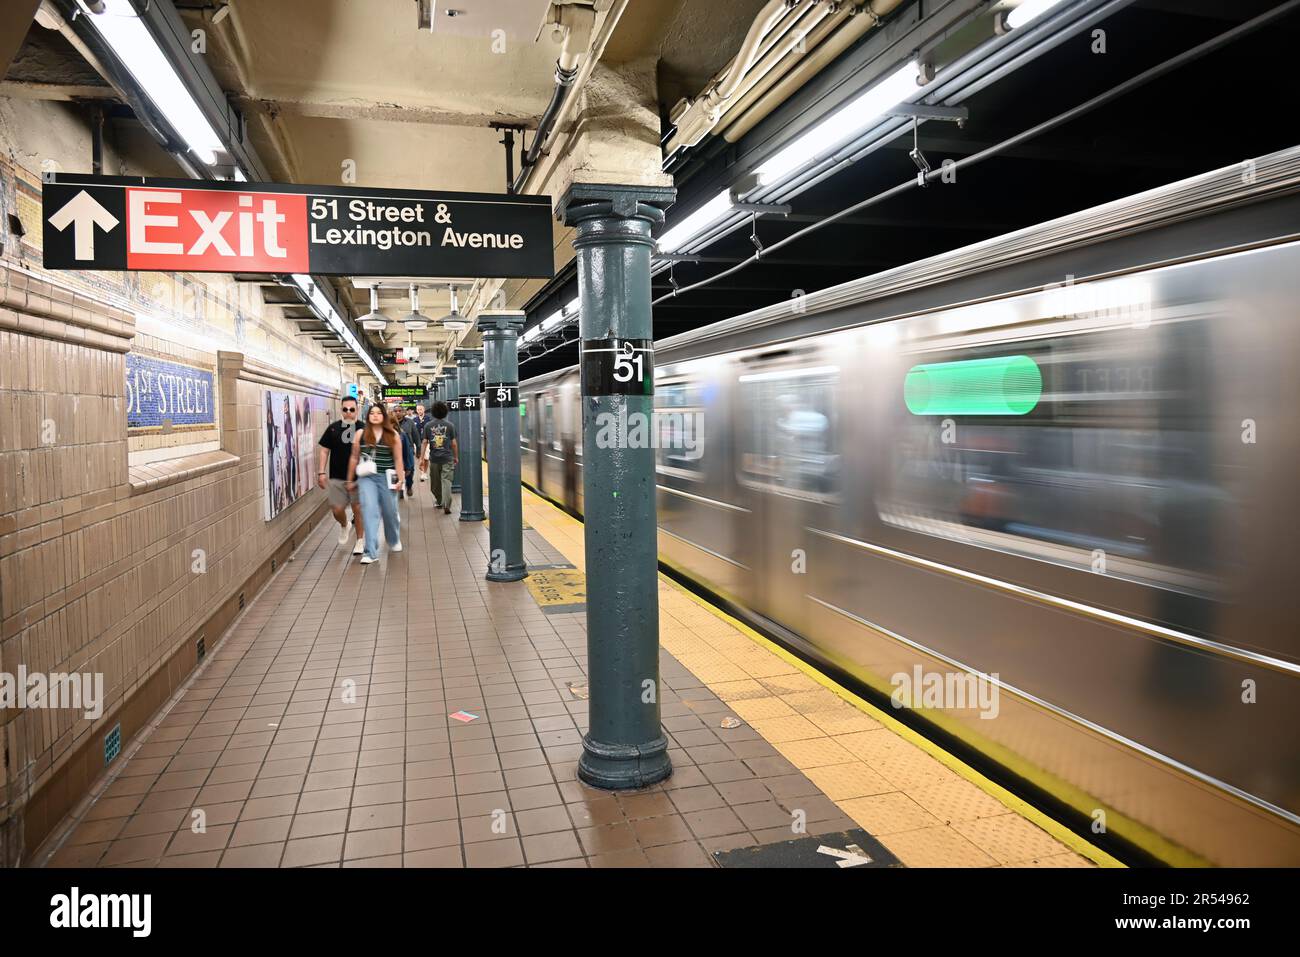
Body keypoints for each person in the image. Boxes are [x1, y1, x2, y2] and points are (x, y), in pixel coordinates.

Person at [348, 404, 404, 564]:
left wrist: (400, 479)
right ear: (368, 417)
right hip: (367, 478)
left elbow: (398, 459)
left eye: (379, 413)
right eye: (372, 413)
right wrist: (350, 479)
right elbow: (354, 457)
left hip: (386, 477)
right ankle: (370, 552)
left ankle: (393, 539)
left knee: (390, 511)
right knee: (369, 511)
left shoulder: (392, 435)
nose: (375, 415)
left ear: (384, 417)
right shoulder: (360, 434)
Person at [317, 396, 365, 555]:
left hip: (359, 477)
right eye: (345, 409)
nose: (349, 413)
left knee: (358, 509)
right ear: (341, 410)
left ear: (357, 409)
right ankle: (345, 524)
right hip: (337, 476)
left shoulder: (364, 428)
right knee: (336, 509)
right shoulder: (333, 429)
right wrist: (321, 472)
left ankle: (359, 541)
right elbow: (324, 450)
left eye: (352, 409)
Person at [420, 401, 458, 514]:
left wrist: (421, 459)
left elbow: (424, 442)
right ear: (445, 412)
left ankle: (440, 500)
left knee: (435, 484)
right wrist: (456, 457)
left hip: (434, 459)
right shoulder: (450, 426)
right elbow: (454, 444)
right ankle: (446, 503)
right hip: (448, 458)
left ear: (433, 412)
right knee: (446, 481)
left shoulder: (428, 426)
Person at [399, 406, 421, 498]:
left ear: (403, 412)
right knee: (397, 469)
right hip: (396, 450)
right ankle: (400, 488)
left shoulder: (410, 422)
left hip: (409, 449)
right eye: (396, 411)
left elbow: (416, 436)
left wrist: (418, 449)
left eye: (400, 411)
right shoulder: (390, 423)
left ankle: (409, 485)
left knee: (410, 469)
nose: (398, 413)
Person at [411, 403, 430, 484]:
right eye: (418, 409)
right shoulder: (414, 420)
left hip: (427, 442)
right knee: (419, 458)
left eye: (420, 409)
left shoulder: (428, 419)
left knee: (426, 458)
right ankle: (422, 473)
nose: (419, 411)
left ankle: (425, 472)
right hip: (417, 442)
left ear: (424, 409)